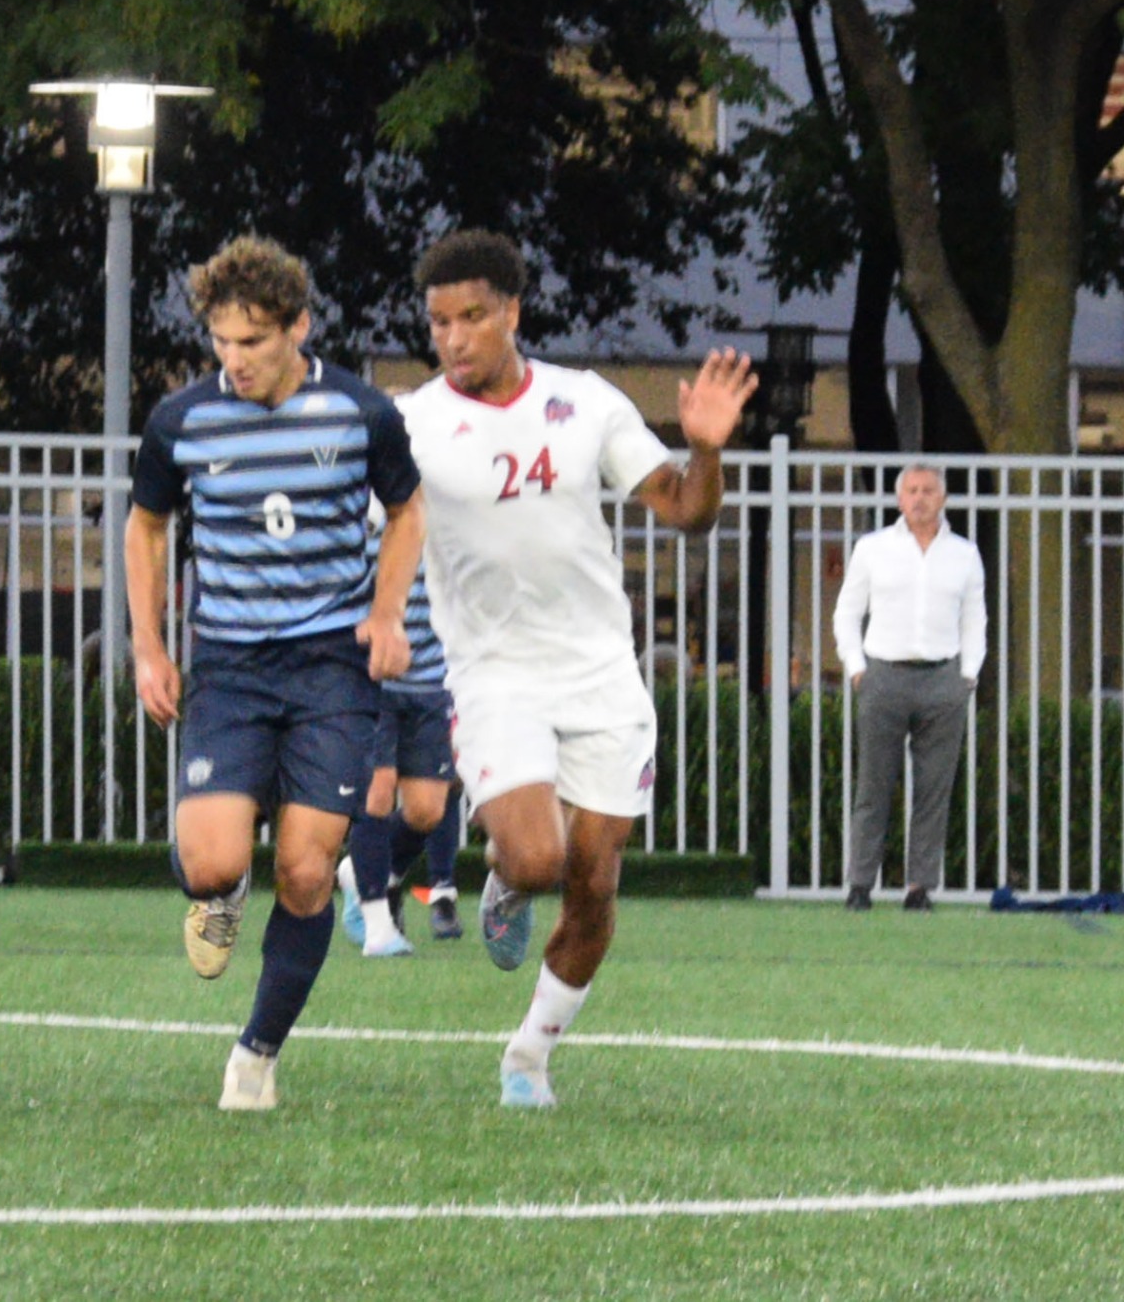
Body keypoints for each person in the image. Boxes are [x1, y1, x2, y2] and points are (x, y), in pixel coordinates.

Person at [395, 229, 757, 1108]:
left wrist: (705, 450)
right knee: (533, 856)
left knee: (594, 883)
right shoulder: (410, 422)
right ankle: (505, 884)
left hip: (601, 671)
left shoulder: (585, 402)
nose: (453, 338)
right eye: (439, 321)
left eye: (472, 317)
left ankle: (529, 1055)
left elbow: (683, 510)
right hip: (492, 672)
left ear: (513, 312)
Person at [125, 235, 425, 1111]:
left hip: (333, 665)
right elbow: (145, 529)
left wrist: (386, 610)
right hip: (229, 664)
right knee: (212, 861)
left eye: (253, 340)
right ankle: (218, 891)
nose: (235, 359)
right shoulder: (181, 420)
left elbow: (407, 512)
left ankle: (257, 1052)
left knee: (305, 869)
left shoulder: (362, 412)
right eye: (221, 340)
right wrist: (149, 646)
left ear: (299, 326)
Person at [830, 463, 987, 912]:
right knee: (873, 786)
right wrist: (857, 667)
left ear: (943, 498)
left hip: (944, 678)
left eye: (929, 490)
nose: (920, 498)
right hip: (884, 674)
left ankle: (919, 887)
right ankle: (860, 884)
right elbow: (847, 611)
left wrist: (968, 674)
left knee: (934, 790)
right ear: (900, 500)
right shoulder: (873, 549)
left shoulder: (964, 554)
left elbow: (975, 619)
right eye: (912, 491)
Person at [335, 554, 466, 955]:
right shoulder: (372, 507)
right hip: (371, 676)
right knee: (378, 789)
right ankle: (377, 925)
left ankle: (361, 871)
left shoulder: (446, 509)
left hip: (430, 681)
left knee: (427, 810)